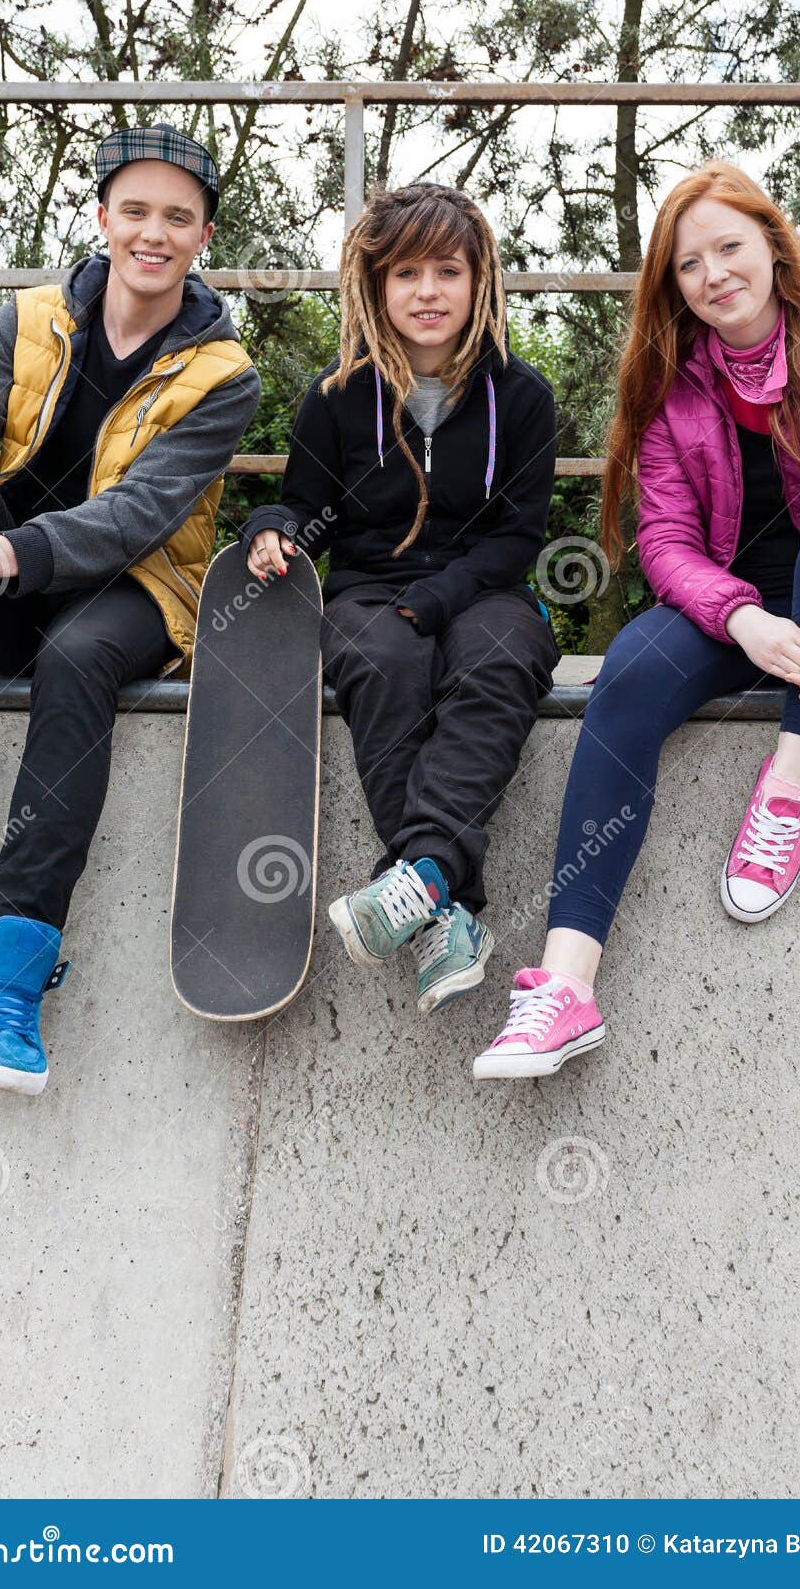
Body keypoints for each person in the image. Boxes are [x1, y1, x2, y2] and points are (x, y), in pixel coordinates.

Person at [474, 160, 800, 1080]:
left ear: (772, 247)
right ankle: (565, 987)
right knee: (628, 665)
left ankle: (791, 775)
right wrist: (740, 620)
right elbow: (663, 540)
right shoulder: (671, 382)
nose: (712, 275)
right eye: (688, 264)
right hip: (736, 620)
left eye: (728, 247)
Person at [0, 124, 261, 1095]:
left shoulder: (224, 375)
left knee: (75, 661)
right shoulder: (27, 319)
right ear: (102, 218)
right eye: (134, 210)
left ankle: (9, 979)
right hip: (3, 573)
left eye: (176, 217)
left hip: (132, 593)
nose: (153, 232)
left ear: (202, 237)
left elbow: (139, 516)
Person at [242, 180, 559, 1017]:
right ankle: (440, 901)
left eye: (447, 271)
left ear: (478, 280)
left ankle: (415, 882)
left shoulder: (521, 399)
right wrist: (271, 529)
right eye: (407, 273)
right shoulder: (335, 394)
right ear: (376, 287)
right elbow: (305, 503)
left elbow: (517, 536)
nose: (427, 292)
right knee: (381, 661)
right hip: (368, 594)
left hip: (485, 586)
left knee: (498, 657)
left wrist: (440, 597)